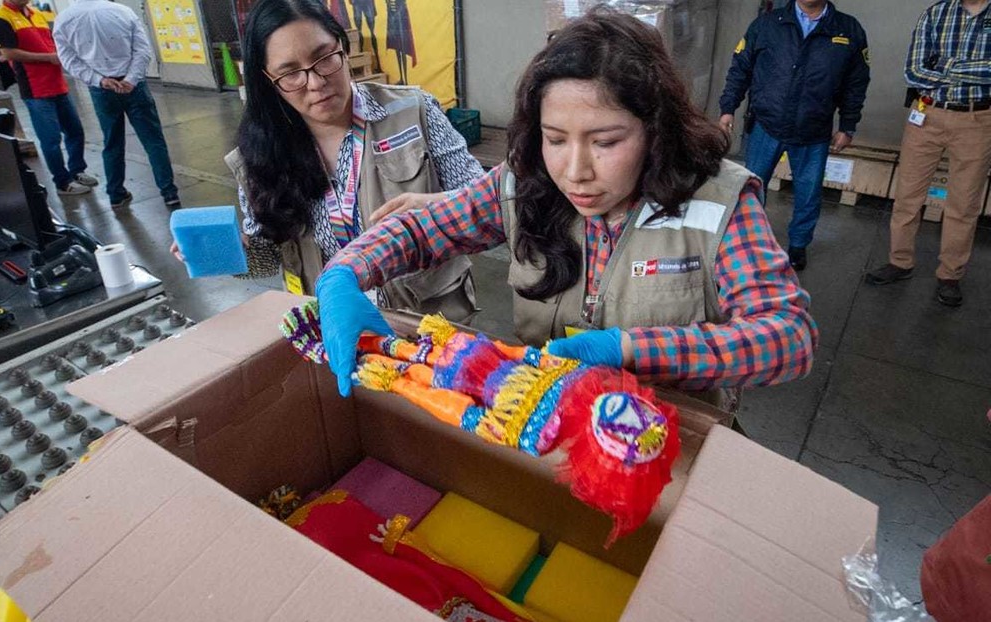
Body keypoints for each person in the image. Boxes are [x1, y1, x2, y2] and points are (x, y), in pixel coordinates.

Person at [314, 8, 819, 408]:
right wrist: (343, 275)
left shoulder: (718, 203)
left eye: (605, 141)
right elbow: (425, 228)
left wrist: (629, 351)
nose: (575, 170)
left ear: (654, 129)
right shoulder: (527, 179)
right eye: (556, 138)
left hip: (667, 437)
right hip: (548, 417)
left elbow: (788, 336)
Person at [179, 0, 483, 320]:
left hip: (427, 318)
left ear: (342, 46)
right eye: (291, 73)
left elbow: (483, 202)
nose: (316, 83)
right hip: (335, 324)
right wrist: (228, 252)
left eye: (324, 58)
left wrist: (440, 209)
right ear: (268, 80)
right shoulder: (259, 155)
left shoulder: (412, 112)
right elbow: (268, 259)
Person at [718, 0, 870, 271]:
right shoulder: (766, 25)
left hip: (814, 129)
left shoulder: (848, 30)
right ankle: (750, 241)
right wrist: (728, 108)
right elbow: (741, 67)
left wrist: (848, 125)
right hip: (768, 124)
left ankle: (798, 245)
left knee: (808, 193)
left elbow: (856, 83)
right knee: (751, 189)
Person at [864, 0, 991, 307]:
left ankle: (950, 275)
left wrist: (944, 65)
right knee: (908, 194)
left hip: (978, 119)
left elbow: (931, 68)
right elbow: (914, 71)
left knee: (964, 203)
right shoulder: (936, 13)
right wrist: (973, 70)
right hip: (927, 115)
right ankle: (900, 262)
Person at [53, 0, 180, 210]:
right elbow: (142, 50)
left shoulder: (64, 20)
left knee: (112, 142)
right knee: (153, 141)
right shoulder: (122, 11)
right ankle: (169, 193)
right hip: (134, 87)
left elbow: (68, 59)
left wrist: (99, 80)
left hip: (103, 89)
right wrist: (131, 79)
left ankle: (116, 194)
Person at [0, 0, 97, 196]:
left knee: (75, 131)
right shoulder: (1, 17)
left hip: (57, 84)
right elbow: (8, 53)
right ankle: (62, 181)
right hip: (35, 88)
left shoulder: (36, 14)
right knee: (50, 139)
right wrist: (48, 58)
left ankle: (77, 170)